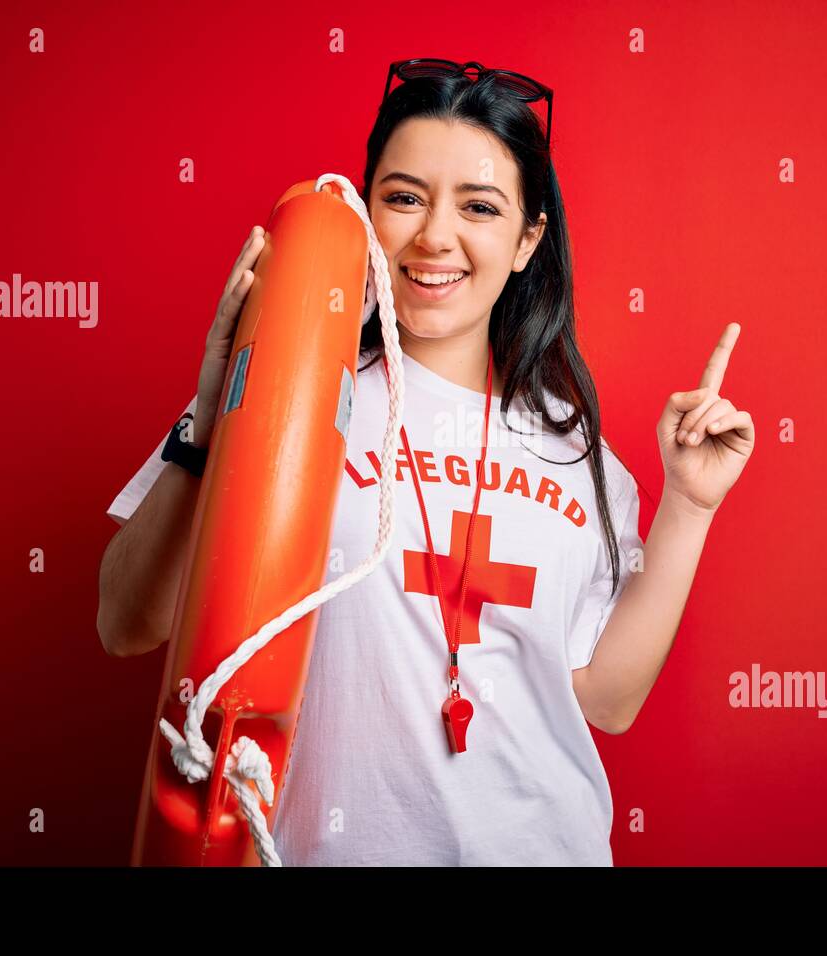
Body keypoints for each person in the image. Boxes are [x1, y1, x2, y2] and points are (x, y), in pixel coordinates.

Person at [96, 60, 755, 866]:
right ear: (365, 210)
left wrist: (689, 504)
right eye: (403, 197)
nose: (435, 236)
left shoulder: (576, 452)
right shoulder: (282, 395)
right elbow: (125, 623)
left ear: (526, 241)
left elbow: (607, 703)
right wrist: (211, 412)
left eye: (479, 207)